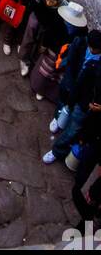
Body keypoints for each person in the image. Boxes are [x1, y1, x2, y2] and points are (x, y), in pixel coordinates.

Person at [44, 29, 101, 165]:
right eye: (90, 47)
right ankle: (58, 118)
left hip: (85, 101)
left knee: (72, 130)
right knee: (62, 104)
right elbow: (71, 63)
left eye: (95, 49)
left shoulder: (98, 66)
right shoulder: (80, 43)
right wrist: (69, 83)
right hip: (71, 85)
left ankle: (57, 151)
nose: (91, 50)